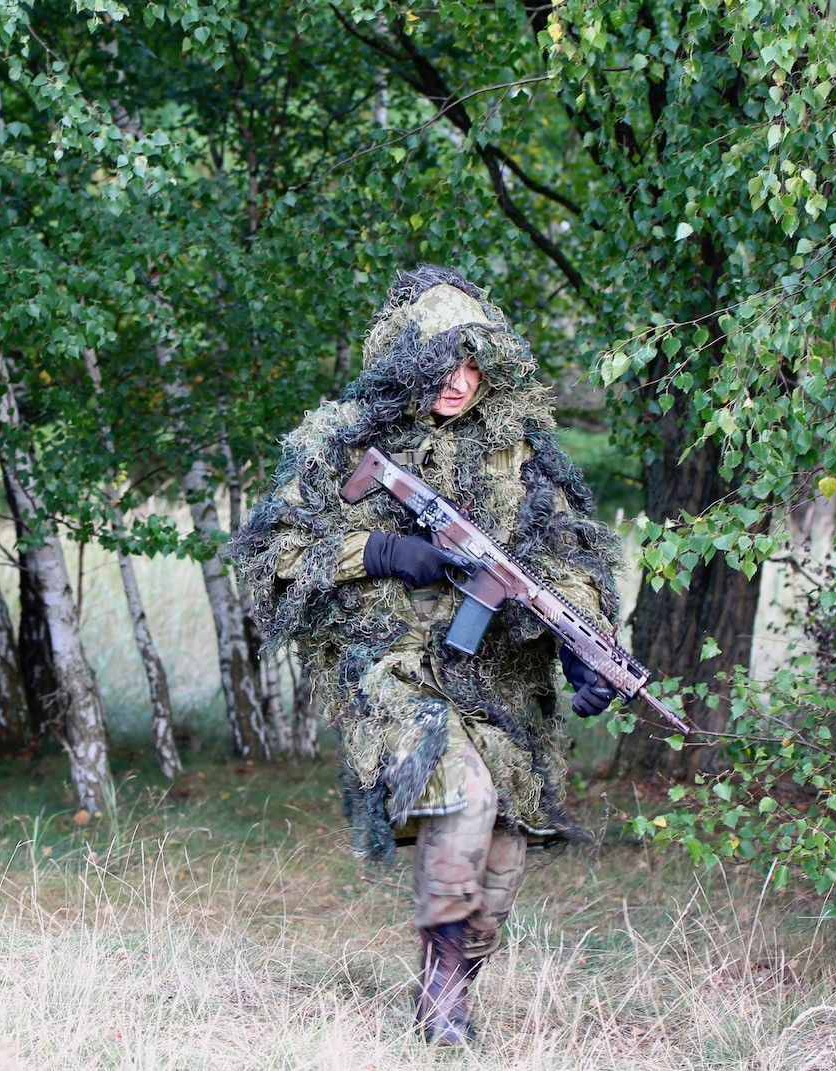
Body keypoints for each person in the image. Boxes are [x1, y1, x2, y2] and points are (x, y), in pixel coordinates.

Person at [229, 266, 623, 1045]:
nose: (459, 380)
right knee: (463, 797)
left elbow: (570, 558)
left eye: (474, 364)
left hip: (502, 686)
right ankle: (444, 1008)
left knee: (502, 859)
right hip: (396, 666)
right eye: (443, 362)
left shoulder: (524, 451)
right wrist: (378, 550)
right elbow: (270, 551)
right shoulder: (344, 438)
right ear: (409, 361)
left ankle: (449, 987)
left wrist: (589, 645)